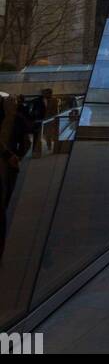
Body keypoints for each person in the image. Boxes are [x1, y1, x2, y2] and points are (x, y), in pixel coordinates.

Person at [0, 93, 32, 261]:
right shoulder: (18, 119)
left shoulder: (16, 119)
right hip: (10, 167)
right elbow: (27, 142)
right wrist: (17, 156)